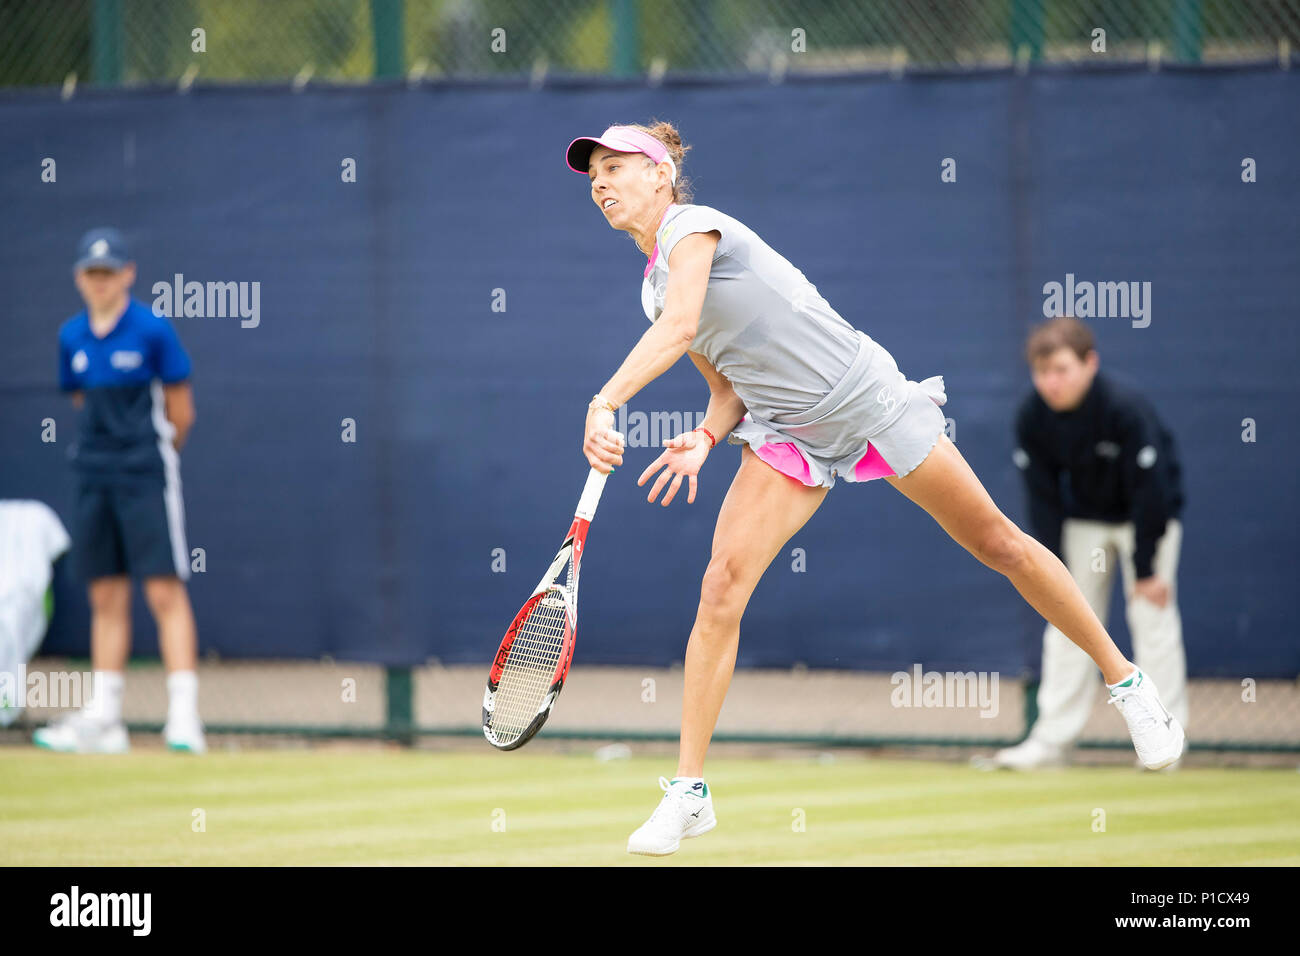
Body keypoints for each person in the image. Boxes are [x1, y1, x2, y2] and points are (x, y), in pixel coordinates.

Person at [564, 121, 1185, 857]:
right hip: (788, 434)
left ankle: (1127, 684)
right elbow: (724, 382)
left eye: (615, 166)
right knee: (721, 588)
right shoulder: (652, 289)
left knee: (1000, 545)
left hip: (870, 403)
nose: (601, 182)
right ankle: (689, 792)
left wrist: (605, 401)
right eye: (593, 172)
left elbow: (683, 325)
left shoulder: (694, 228)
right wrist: (703, 436)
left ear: (661, 176)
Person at [987, 317, 1187, 771]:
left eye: (1061, 369)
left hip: (1146, 521)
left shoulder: (1125, 408)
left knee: (1150, 618)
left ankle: (1165, 744)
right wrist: (1051, 567)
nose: (1050, 383)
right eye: (1042, 372)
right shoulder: (1032, 418)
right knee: (1066, 620)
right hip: (1083, 524)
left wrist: (1148, 567)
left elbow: (1152, 491)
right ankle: (1052, 741)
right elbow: (1043, 501)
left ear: (1089, 363)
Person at [34, 227, 206, 754]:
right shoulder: (71, 337)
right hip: (93, 474)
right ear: (79, 278)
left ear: (129, 275)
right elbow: (83, 403)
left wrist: (151, 457)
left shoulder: (153, 331)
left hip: (145, 474)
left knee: (162, 590)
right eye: (92, 273)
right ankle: (106, 720)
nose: (101, 283)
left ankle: (183, 718)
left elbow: (181, 412)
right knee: (106, 594)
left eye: (110, 273)